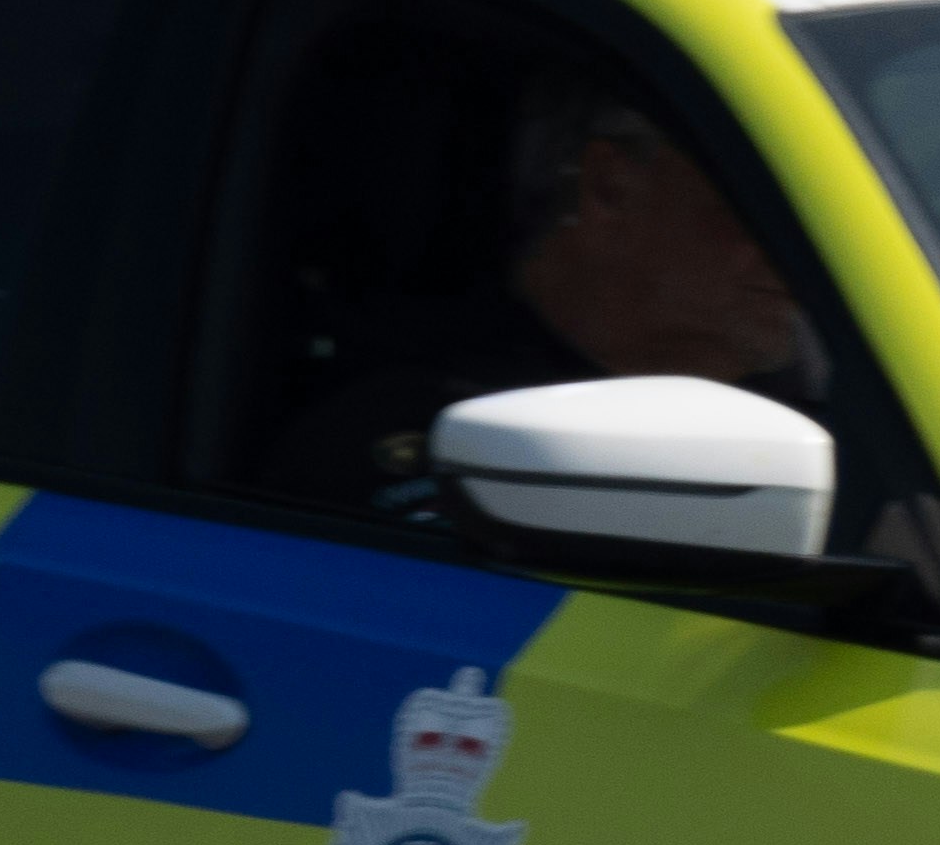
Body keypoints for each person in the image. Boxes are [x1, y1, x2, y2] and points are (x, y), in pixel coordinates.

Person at [257, 69, 822, 532]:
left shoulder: (849, 413)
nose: (811, 247)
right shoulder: (421, 433)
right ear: (609, 191)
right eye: (765, 199)